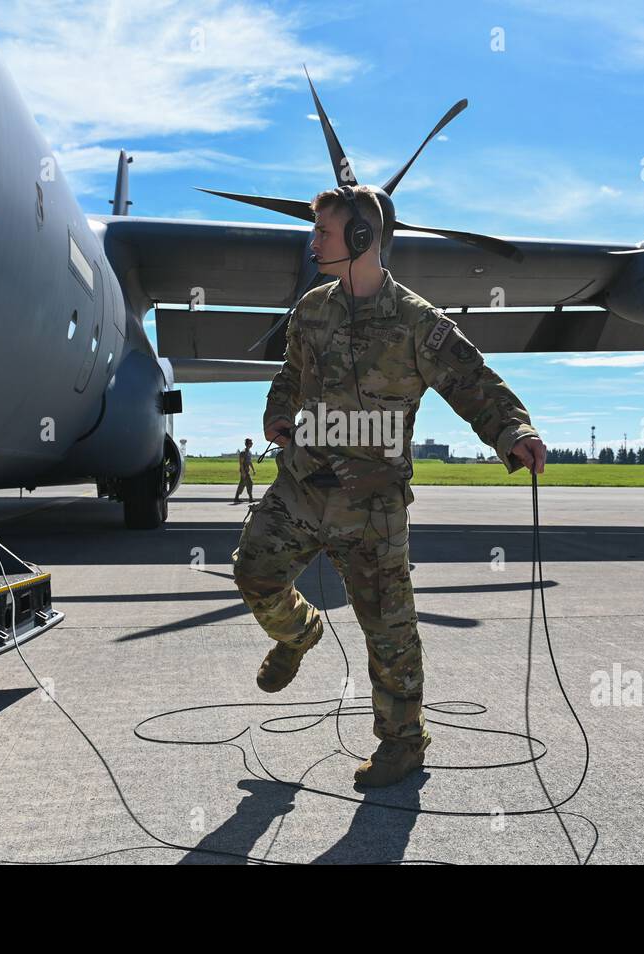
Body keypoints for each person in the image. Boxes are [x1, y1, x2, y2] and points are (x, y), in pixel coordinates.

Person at [231, 185, 546, 788]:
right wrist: (278, 412)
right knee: (254, 573)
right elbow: (290, 375)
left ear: (360, 238)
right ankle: (299, 634)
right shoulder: (311, 310)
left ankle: (402, 745)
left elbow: (472, 382)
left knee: (388, 627)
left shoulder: (417, 322)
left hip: (371, 505)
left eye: (323, 232)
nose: (312, 242)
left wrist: (513, 431)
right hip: (302, 484)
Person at [233, 438, 256, 504]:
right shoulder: (243, 452)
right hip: (244, 471)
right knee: (250, 483)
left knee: (242, 484)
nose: (252, 444)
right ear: (247, 444)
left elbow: (250, 462)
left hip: (247, 471)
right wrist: (243, 472)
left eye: (252, 443)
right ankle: (250, 498)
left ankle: (236, 498)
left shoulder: (249, 452)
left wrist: (253, 469)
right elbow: (241, 463)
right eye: (251, 443)